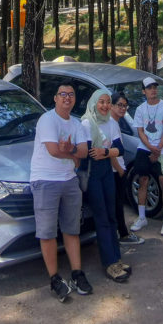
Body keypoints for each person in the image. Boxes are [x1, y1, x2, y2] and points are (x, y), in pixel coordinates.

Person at [29, 83, 92, 301]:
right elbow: (53, 150)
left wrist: (73, 151)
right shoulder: (47, 120)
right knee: (47, 233)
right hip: (45, 180)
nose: (67, 98)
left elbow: (84, 151)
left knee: (72, 229)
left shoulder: (76, 123)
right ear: (55, 98)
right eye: (63, 94)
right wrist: (72, 155)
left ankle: (77, 273)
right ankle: (54, 278)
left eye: (71, 95)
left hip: (69, 180)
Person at [80, 89, 130, 283]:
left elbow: (121, 150)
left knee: (112, 216)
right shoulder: (86, 124)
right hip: (93, 175)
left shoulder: (111, 123)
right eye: (101, 102)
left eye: (108, 102)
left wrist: (106, 151)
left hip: (107, 172)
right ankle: (109, 263)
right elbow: (85, 156)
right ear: (94, 103)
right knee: (101, 218)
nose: (105, 106)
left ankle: (117, 259)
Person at [129, 77, 163, 237]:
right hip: (145, 148)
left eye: (155, 87)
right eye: (149, 88)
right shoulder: (140, 109)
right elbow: (140, 131)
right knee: (143, 180)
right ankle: (142, 217)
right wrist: (150, 148)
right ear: (144, 91)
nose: (153, 90)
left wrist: (159, 148)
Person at [108, 92, 143, 246]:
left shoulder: (115, 123)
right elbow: (110, 151)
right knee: (117, 204)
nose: (123, 108)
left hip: (118, 170)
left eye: (125, 105)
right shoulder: (111, 124)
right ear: (111, 105)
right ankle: (122, 234)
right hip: (116, 171)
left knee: (118, 204)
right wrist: (120, 170)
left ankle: (122, 232)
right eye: (119, 105)